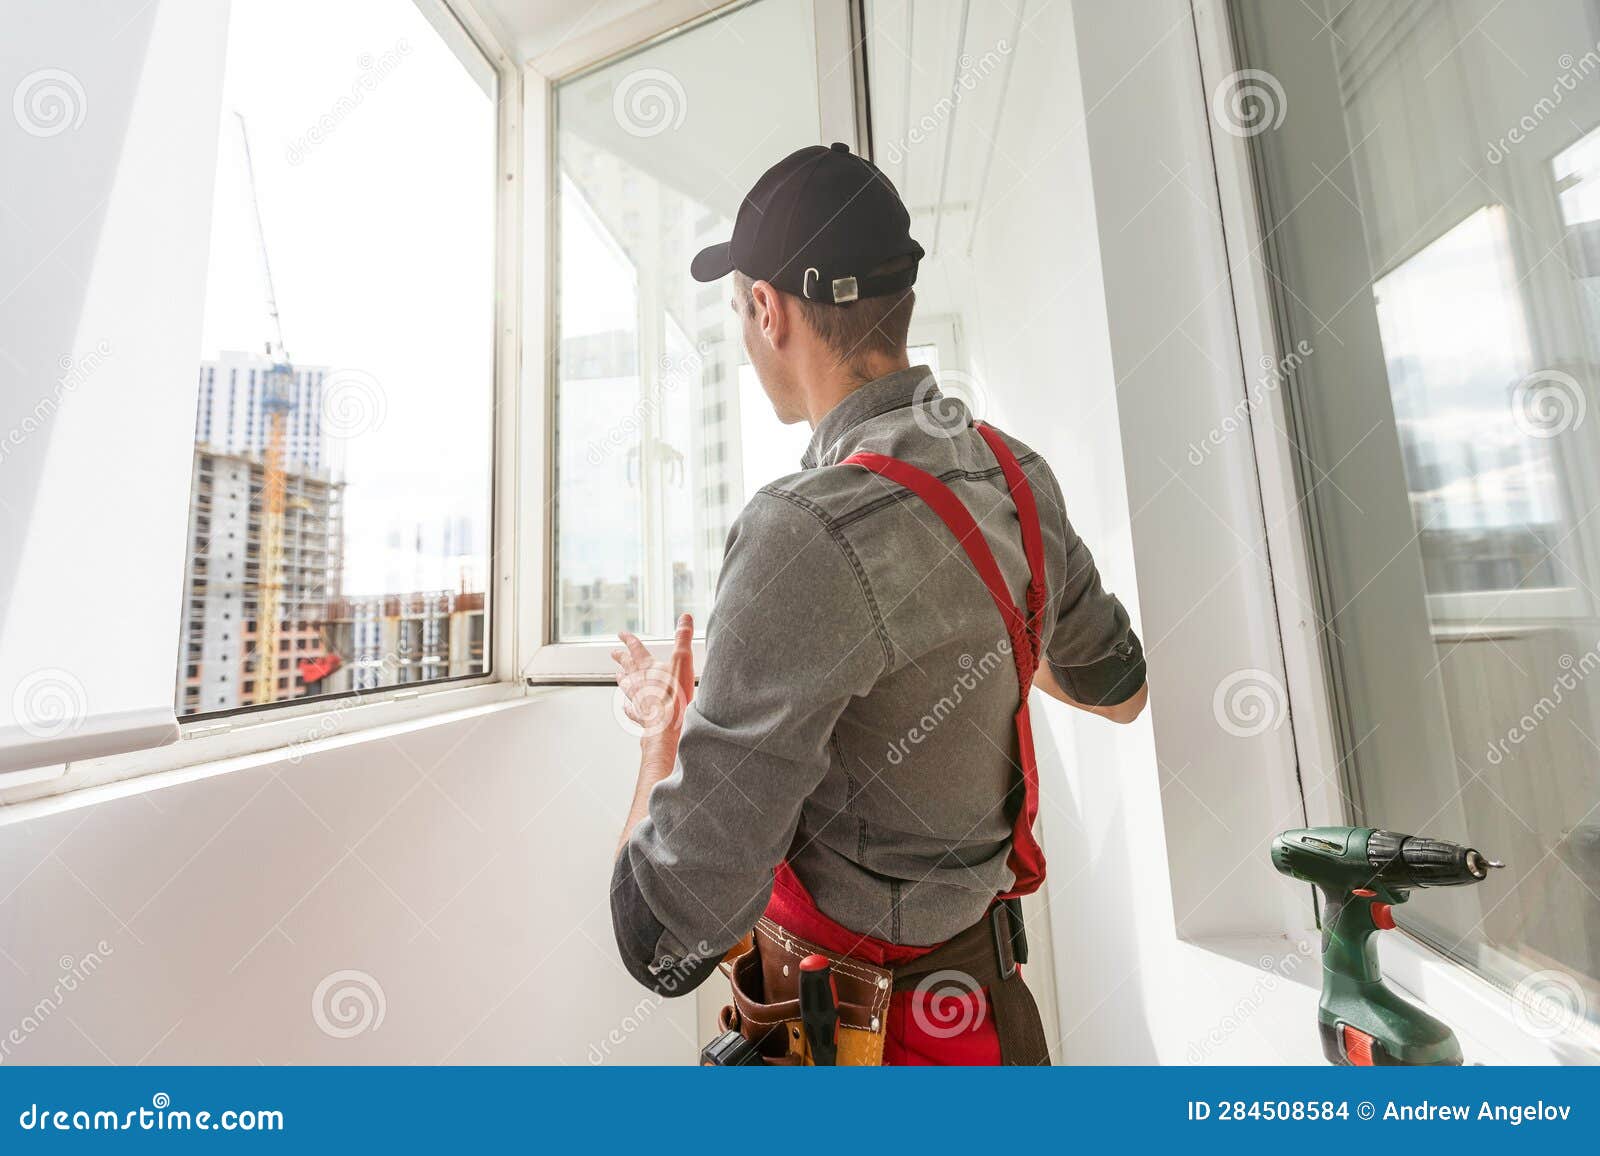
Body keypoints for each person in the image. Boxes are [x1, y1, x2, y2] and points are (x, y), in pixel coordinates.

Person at [609, 142, 1147, 1065]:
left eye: (740, 311)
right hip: (993, 1028)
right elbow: (1119, 690)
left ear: (769, 310)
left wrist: (664, 732)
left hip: (859, 1049)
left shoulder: (801, 529)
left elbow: (666, 937)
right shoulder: (1017, 474)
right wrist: (967, 633)